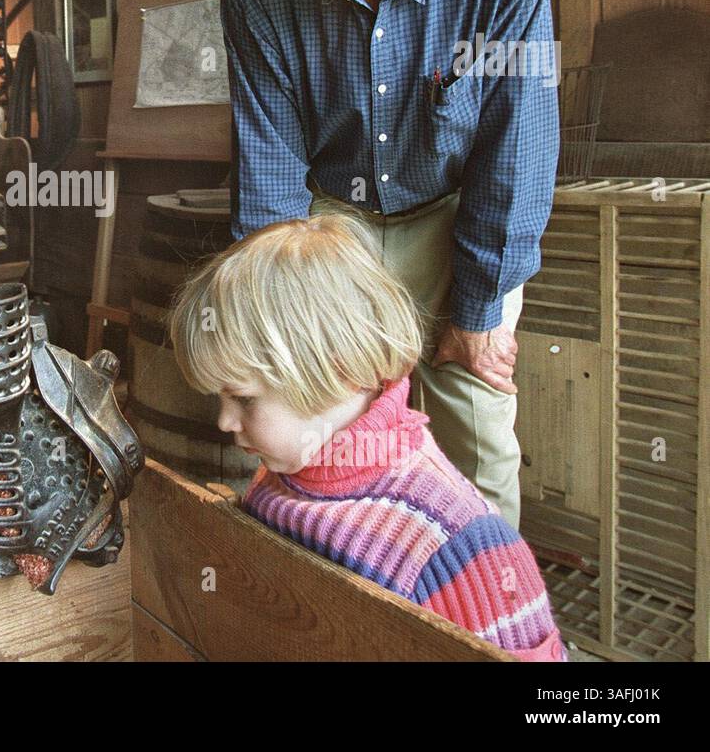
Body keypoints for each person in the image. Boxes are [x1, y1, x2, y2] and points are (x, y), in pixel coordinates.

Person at [223, 0, 560, 529]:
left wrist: (477, 315)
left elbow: (517, 150)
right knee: (312, 437)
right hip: (326, 218)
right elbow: (270, 177)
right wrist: (277, 336)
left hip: (454, 215)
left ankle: (486, 628)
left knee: (478, 434)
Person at [167, 212, 567, 661]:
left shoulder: (460, 547)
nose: (224, 421)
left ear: (341, 371)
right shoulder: (280, 480)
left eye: (242, 398)